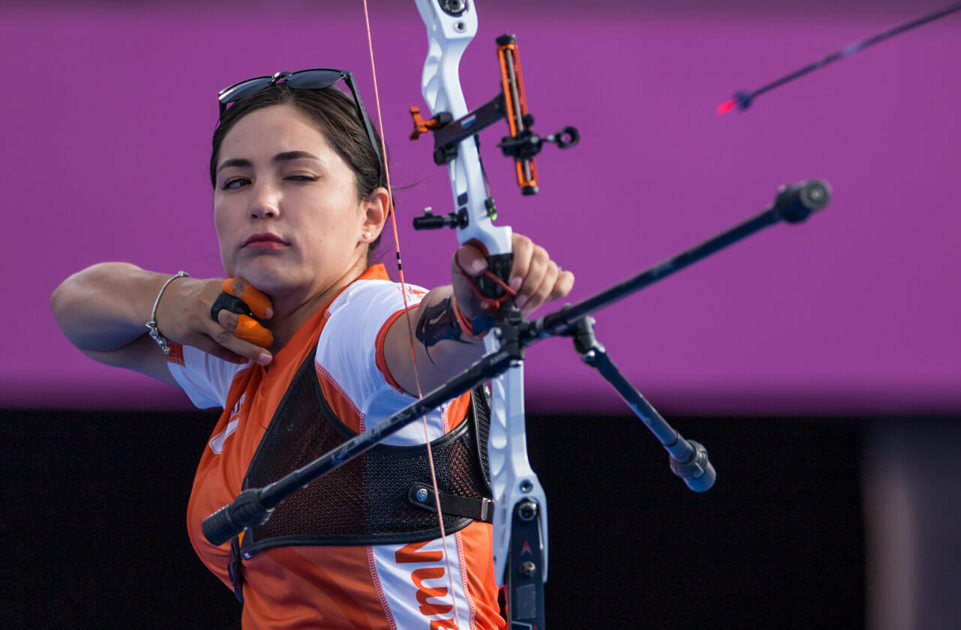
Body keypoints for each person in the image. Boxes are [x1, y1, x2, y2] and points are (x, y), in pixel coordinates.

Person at [50, 69, 573, 629]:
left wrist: (471, 309)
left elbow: (425, 342)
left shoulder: (356, 324)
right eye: (235, 182)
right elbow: (76, 308)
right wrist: (171, 296)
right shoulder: (244, 348)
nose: (263, 203)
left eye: (298, 176)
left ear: (371, 215)